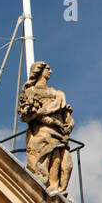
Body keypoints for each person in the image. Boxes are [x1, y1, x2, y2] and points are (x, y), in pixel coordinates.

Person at [16, 61, 74, 193]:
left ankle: (55, 189)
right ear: (39, 70)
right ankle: (46, 188)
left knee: (59, 160)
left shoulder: (56, 93)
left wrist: (67, 121)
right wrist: (39, 114)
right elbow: (25, 116)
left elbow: (65, 113)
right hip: (42, 132)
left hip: (59, 132)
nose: (50, 71)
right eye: (47, 68)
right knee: (44, 159)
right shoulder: (31, 91)